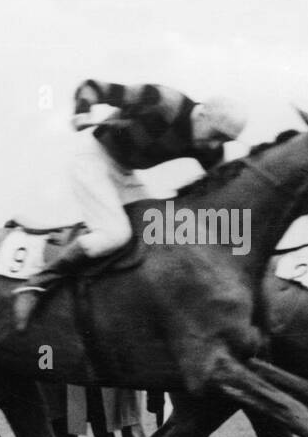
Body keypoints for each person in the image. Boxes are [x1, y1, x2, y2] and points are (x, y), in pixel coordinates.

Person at [12, 80, 248, 330]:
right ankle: (35, 284)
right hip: (92, 160)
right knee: (114, 235)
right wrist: (82, 111)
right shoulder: (162, 101)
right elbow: (92, 88)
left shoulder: (207, 145)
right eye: (216, 136)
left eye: (224, 141)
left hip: (124, 174)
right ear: (201, 114)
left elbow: (223, 188)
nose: (215, 146)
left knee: (156, 235)